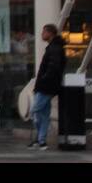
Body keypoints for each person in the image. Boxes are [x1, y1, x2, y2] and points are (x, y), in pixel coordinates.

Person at [29, 23, 66, 151]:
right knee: (44, 113)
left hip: (46, 86)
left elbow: (53, 67)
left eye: (44, 32)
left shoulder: (54, 48)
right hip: (48, 85)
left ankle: (40, 138)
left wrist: (44, 79)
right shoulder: (54, 47)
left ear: (50, 33)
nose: (42, 34)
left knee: (34, 110)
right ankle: (41, 140)